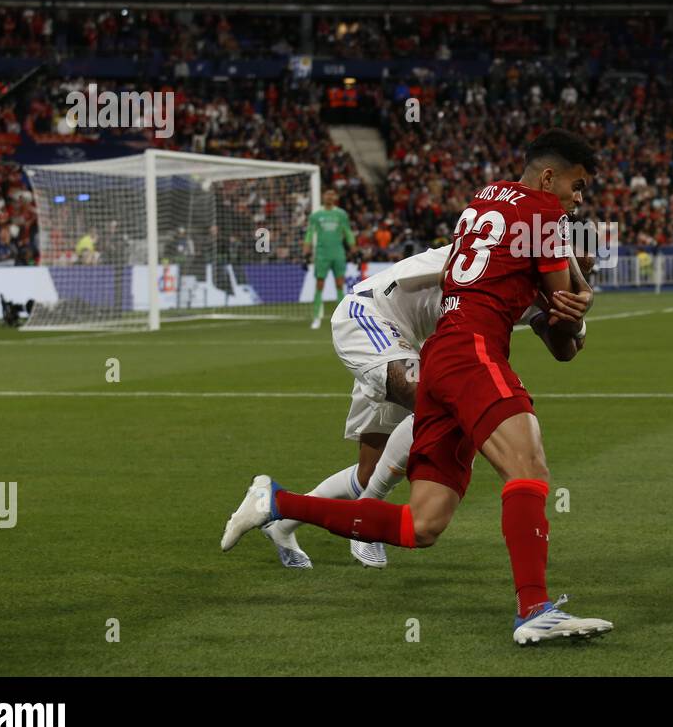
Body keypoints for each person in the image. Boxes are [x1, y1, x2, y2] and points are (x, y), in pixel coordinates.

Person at [222, 130, 613, 645]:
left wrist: (568, 301)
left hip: (441, 354)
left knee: (423, 525)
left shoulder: (486, 200)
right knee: (528, 465)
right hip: (463, 347)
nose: (579, 199)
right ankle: (534, 608)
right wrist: (579, 295)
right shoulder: (545, 214)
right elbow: (564, 339)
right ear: (548, 177)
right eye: (577, 185)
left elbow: (557, 328)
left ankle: (278, 503)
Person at [260, 243, 595, 570]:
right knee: (438, 408)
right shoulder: (502, 254)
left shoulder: (541, 294)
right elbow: (450, 277)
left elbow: (564, 350)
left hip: (414, 343)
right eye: (580, 265)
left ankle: (282, 524)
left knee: (369, 471)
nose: (586, 271)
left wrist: (574, 317)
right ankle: (369, 509)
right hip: (372, 316)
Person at [304, 189, 356, 329]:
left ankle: (342, 317)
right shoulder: (316, 215)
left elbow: (348, 232)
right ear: (323, 197)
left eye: (332, 194)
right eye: (327, 194)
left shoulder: (341, 214)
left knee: (340, 284)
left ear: (335, 197)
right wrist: (306, 250)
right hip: (322, 254)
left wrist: (353, 248)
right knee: (319, 284)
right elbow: (310, 233)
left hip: (338, 253)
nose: (329, 196)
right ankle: (316, 317)